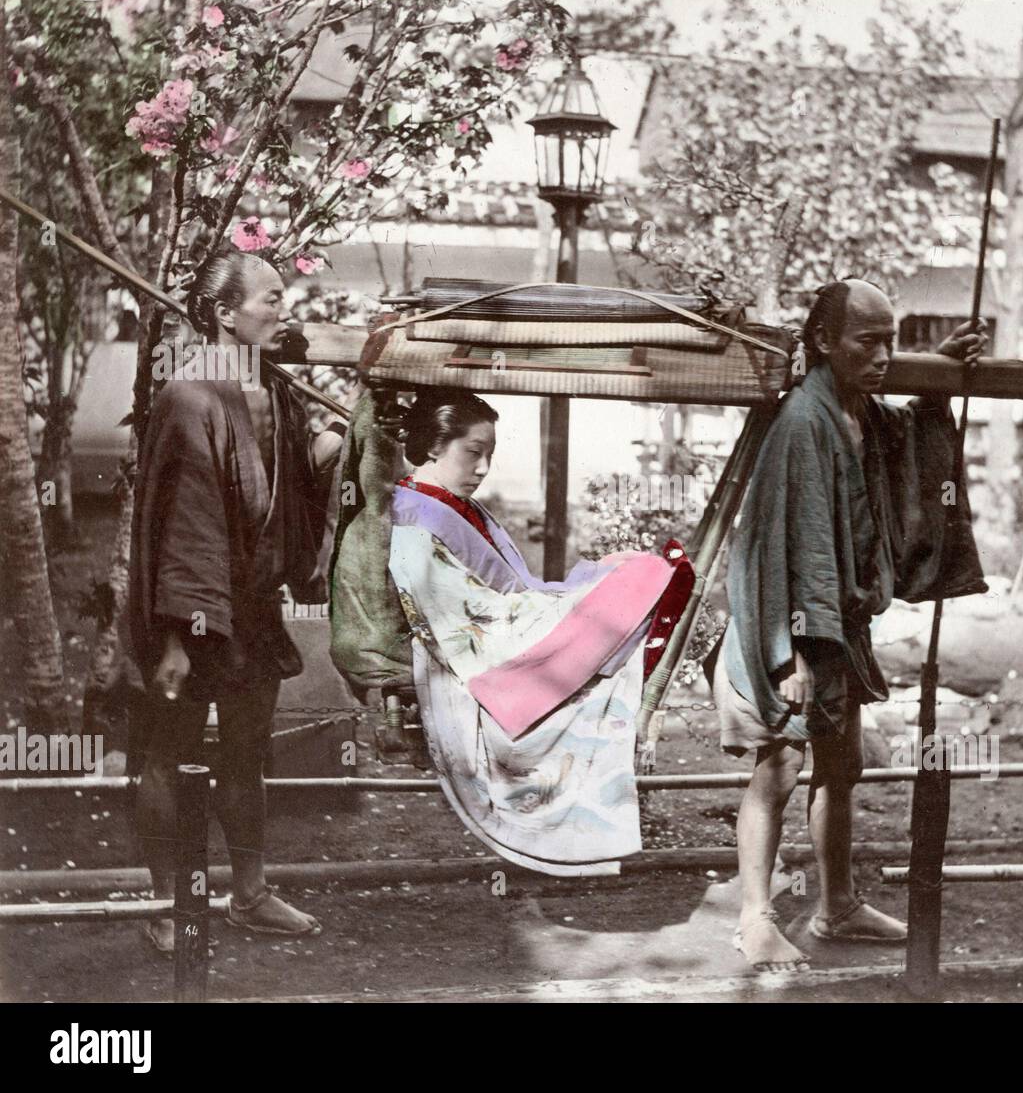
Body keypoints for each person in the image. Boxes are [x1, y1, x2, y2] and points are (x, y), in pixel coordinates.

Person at [709, 279, 988, 971]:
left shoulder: (856, 409)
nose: (884, 355)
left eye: (891, 341)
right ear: (823, 341)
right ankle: (753, 918)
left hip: (838, 628)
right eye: (868, 341)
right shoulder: (803, 423)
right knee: (781, 766)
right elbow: (781, 546)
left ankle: (836, 904)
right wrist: (790, 654)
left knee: (842, 764)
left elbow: (907, 441)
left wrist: (939, 377)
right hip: (787, 629)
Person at [128, 249, 349, 953]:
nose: (283, 311)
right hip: (189, 609)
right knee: (170, 753)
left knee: (247, 754)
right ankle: (164, 903)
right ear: (225, 313)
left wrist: (337, 444)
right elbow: (179, 523)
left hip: (253, 606)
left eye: (284, 298)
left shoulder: (276, 391)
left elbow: (287, 487)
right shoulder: (188, 397)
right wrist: (174, 638)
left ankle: (249, 894)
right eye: (270, 299)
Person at [386, 390, 693, 875]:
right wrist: (571, 604)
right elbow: (465, 615)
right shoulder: (414, 513)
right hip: (477, 649)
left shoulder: (453, 504)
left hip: (504, 619)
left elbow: (515, 588)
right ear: (433, 445)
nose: (484, 468)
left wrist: (576, 591)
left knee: (627, 576)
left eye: (490, 454)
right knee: (627, 593)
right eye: (473, 452)